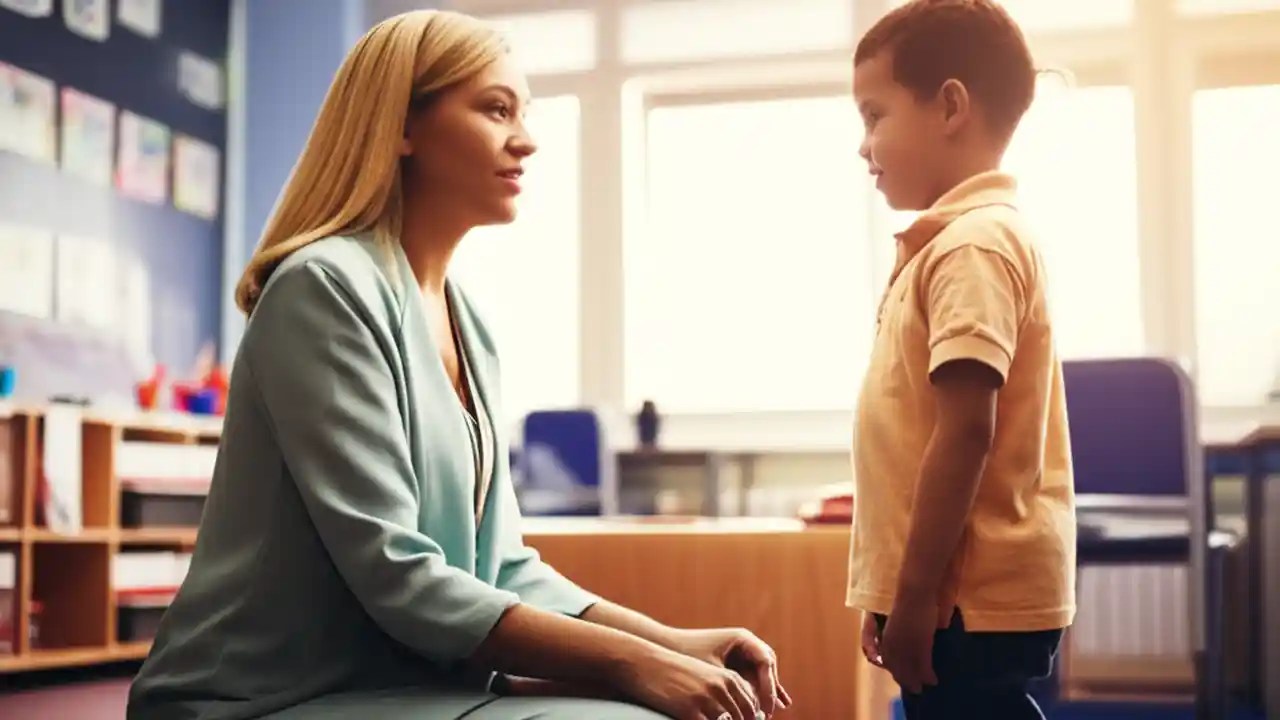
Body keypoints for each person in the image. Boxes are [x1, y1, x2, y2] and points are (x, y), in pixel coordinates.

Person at [126, 10, 792, 720]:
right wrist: (633, 666)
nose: (527, 140)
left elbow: (501, 566)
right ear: (401, 126)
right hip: (256, 699)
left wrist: (671, 643)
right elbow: (398, 573)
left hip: (399, 683)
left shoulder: (466, 321)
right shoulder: (322, 289)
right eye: (496, 109)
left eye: (525, 113)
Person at [846, 1, 1076, 719]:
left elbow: (965, 432)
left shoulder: (972, 246)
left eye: (874, 115)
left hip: (964, 595)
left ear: (949, 106)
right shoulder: (949, 244)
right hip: (945, 593)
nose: (864, 144)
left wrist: (915, 596)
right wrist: (891, 590)